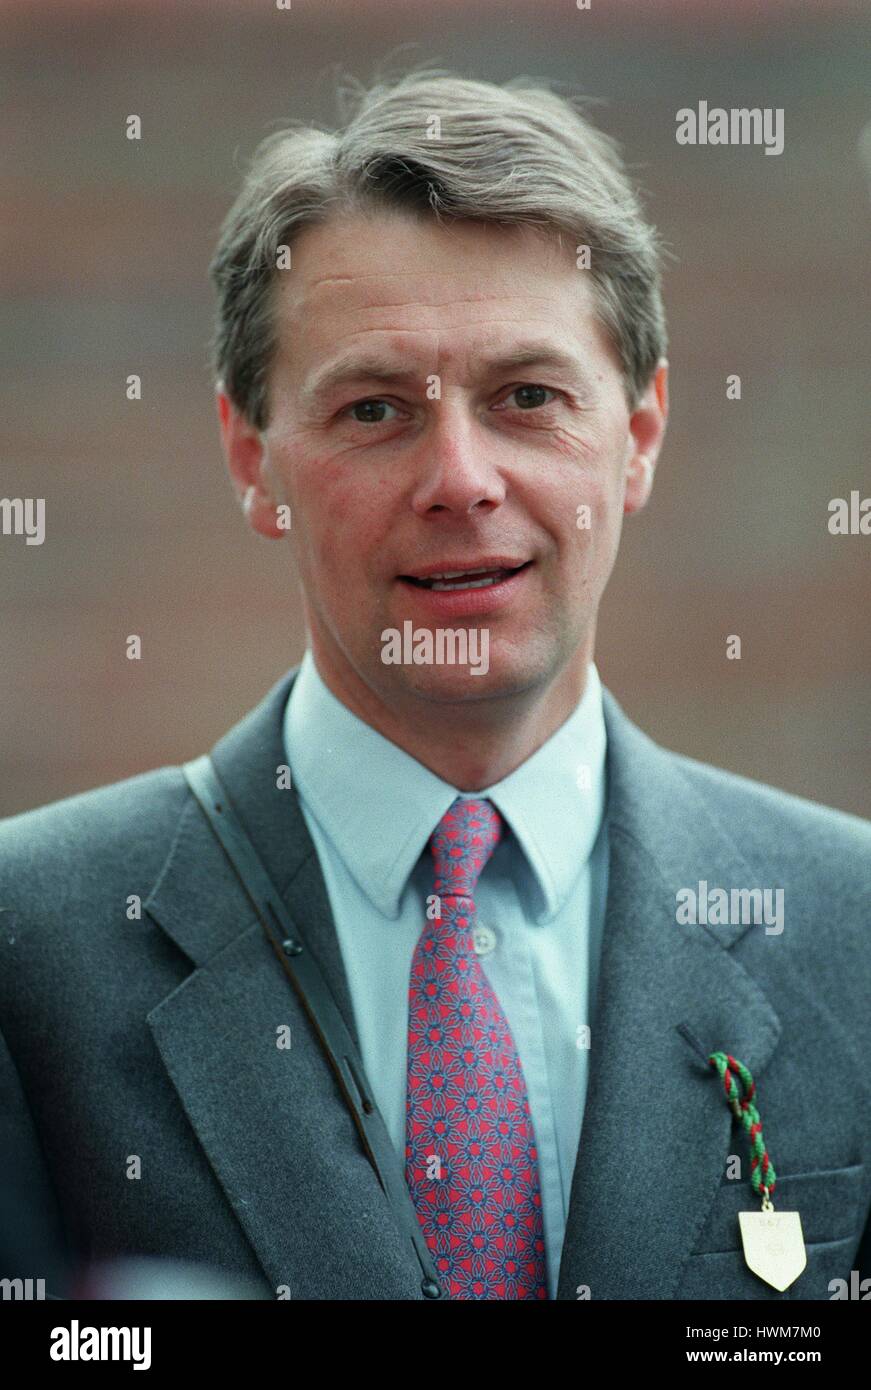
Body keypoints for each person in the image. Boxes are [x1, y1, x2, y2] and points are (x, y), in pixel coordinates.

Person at [1, 69, 869, 1303]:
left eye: (528, 396)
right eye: (373, 408)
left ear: (641, 434)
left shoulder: (852, 935)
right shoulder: (28, 949)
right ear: (253, 462)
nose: (460, 478)